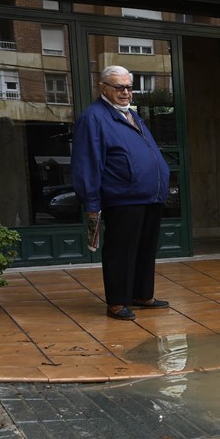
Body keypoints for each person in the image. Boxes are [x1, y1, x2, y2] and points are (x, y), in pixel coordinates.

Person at [71, 66, 171, 321]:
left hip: (149, 195)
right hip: (123, 196)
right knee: (121, 250)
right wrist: (91, 202)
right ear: (103, 88)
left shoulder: (132, 115)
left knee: (145, 248)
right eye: (119, 87)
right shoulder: (94, 117)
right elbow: (87, 162)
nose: (126, 92)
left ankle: (141, 294)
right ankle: (117, 301)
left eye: (128, 87)